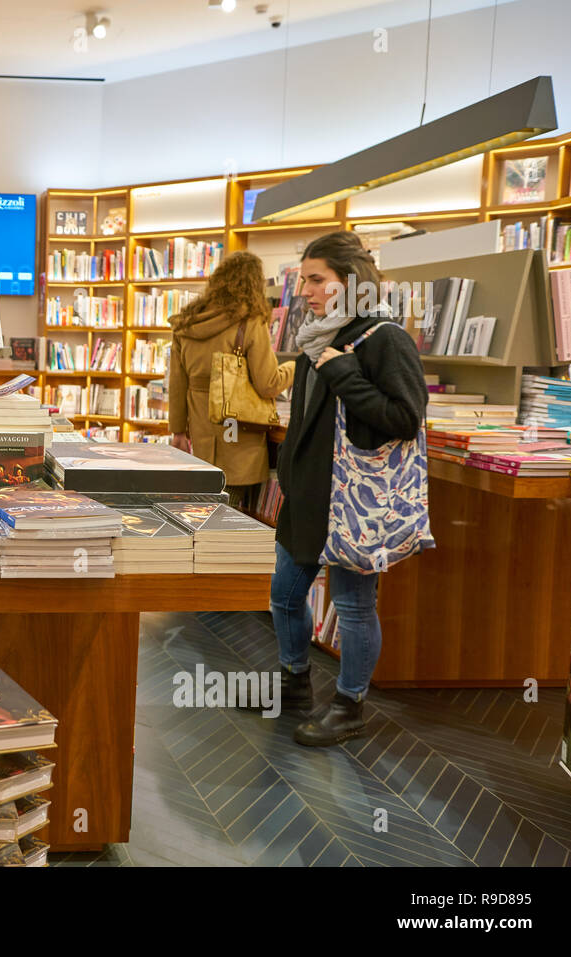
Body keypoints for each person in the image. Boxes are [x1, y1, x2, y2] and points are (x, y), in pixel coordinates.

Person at [267, 231, 427, 747]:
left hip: (353, 503)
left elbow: (404, 417)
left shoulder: (384, 339)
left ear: (350, 282)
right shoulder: (315, 336)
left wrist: (343, 372)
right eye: (303, 279)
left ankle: (350, 705)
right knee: (284, 596)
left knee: (354, 606)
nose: (305, 291)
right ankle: (293, 686)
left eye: (317, 280)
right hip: (308, 497)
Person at [167, 251, 294, 496]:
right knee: (238, 520)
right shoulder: (250, 322)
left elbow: (177, 384)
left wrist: (178, 431)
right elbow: (268, 384)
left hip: (201, 438)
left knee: (203, 511)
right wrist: (296, 367)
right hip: (238, 437)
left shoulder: (186, 323)